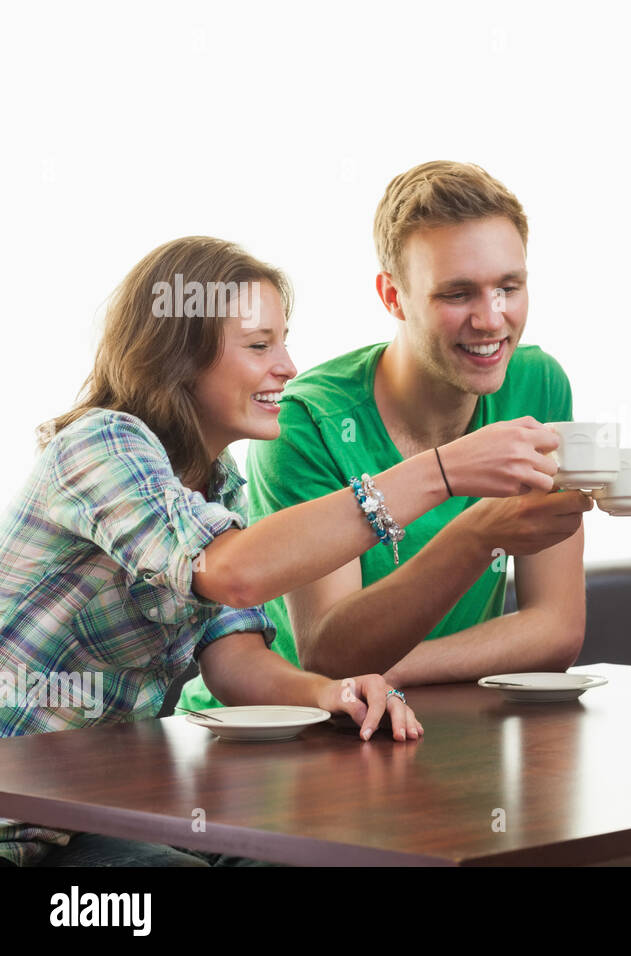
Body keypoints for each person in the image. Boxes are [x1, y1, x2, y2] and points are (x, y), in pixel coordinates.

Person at [0, 235, 561, 866]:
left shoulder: (220, 487)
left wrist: (330, 693)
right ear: (179, 360)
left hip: (76, 818)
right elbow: (234, 575)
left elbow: (235, 659)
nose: (288, 366)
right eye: (260, 346)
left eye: (284, 340)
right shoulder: (101, 446)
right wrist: (441, 472)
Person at [178, 161, 589, 715]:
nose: (492, 320)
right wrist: (474, 535)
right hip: (282, 735)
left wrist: (385, 670)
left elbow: (556, 629)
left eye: (509, 287)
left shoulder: (536, 384)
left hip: (424, 721)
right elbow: (328, 653)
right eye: (457, 294)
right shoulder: (305, 421)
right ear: (392, 296)